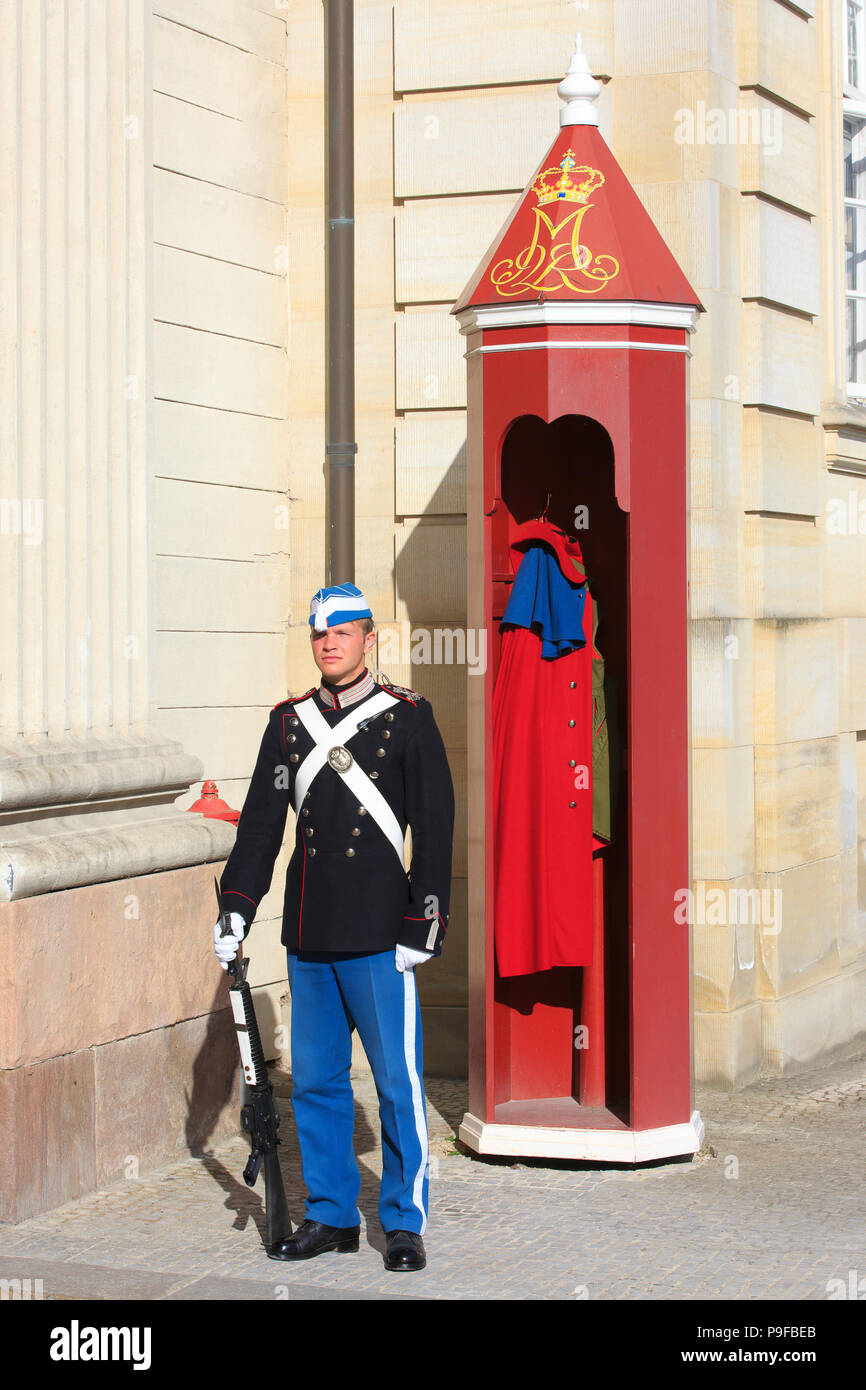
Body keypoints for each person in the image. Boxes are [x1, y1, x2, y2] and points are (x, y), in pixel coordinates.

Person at [213, 582, 455, 1272]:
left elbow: (434, 831)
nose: (330, 643)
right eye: (320, 635)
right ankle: (329, 1214)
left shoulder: (407, 717)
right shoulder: (289, 724)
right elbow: (261, 827)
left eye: (343, 633)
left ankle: (404, 1222)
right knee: (317, 1081)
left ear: (368, 639)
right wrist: (237, 905)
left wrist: (424, 922)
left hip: (383, 934)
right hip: (311, 931)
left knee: (397, 1083)